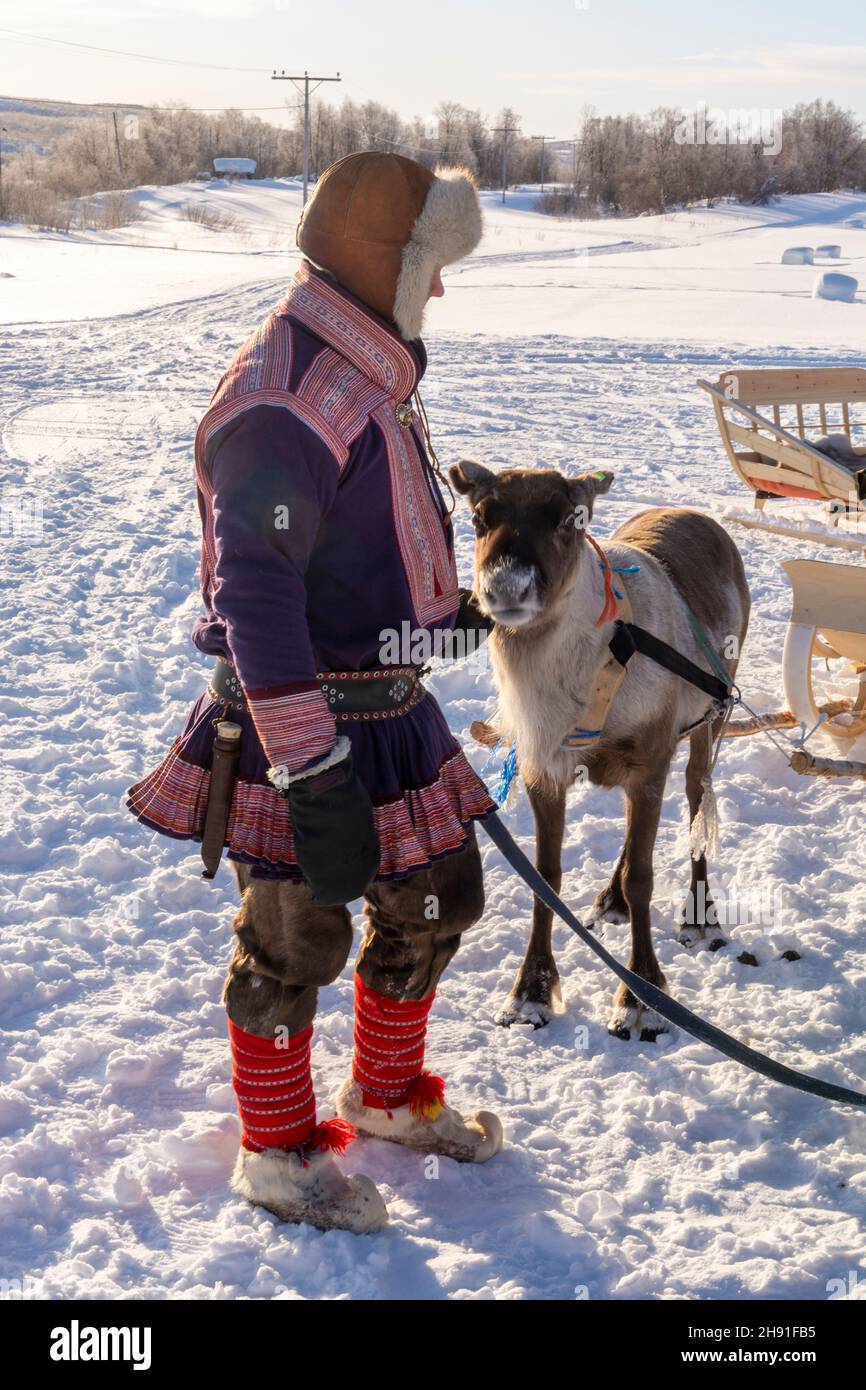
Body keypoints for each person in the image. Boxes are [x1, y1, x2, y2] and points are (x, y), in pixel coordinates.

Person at [127, 152, 502, 1233]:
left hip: (391, 706)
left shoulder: (363, 366)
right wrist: (312, 767)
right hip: (305, 724)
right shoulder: (286, 396)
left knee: (437, 898)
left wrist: (456, 618)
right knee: (294, 940)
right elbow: (256, 587)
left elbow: (365, 536)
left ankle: (384, 1096)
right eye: (430, 264)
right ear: (383, 262)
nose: (439, 290)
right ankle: (280, 1154)